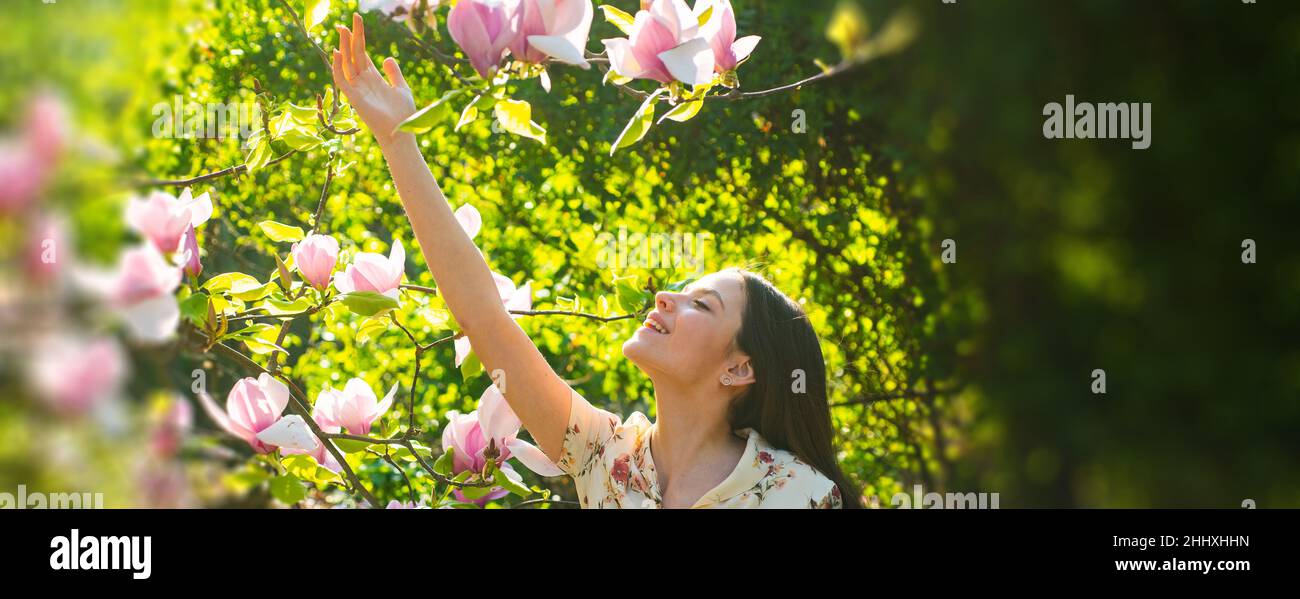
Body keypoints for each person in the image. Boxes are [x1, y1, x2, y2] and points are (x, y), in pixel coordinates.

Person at [331, 14, 859, 508]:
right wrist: (398, 140)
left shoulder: (798, 493)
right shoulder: (604, 455)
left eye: (701, 303)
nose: (664, 297)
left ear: (738, 367)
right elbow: (483, 317)